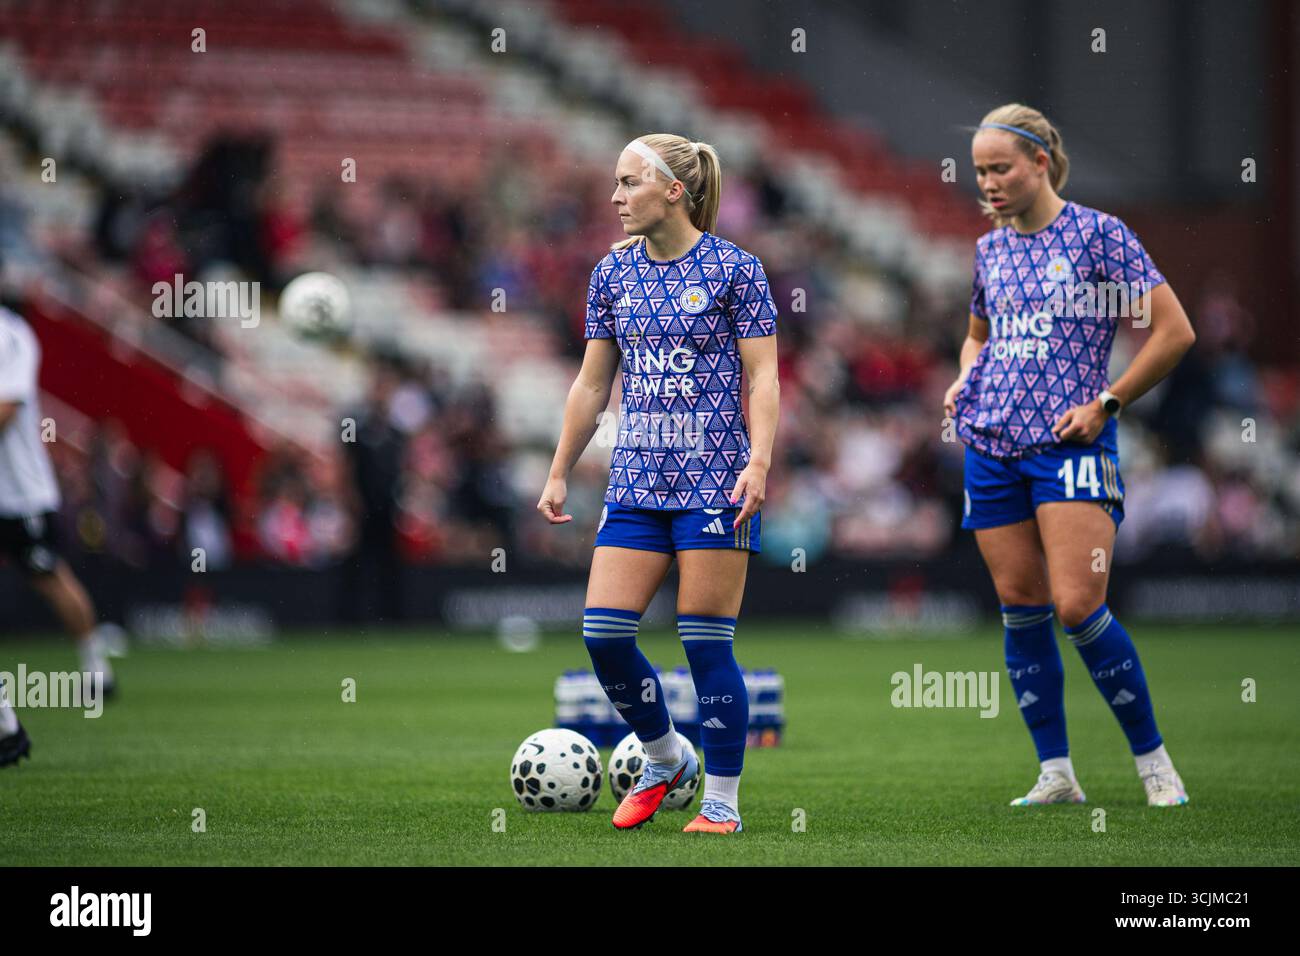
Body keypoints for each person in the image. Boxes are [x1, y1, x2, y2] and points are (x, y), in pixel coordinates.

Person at [943, 104, 1198, 807]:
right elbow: (977, 336)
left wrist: (1107, 403)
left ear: (1041, 164)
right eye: (980, 172)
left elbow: (1174, 332)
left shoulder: (1098, 236)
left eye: (1000, 169)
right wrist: (966, 371)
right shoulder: (990, 247)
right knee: (1021, 607)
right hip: (991, 445)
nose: (988, 183)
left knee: (1079, 605)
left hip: (1071, 447)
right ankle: (1057, 773)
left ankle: (1154, 766)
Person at [538, 134, 780, 833]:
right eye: (614, 184)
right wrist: (558, 470)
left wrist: (759, 460)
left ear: (674, 189)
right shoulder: (611, 272)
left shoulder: (738, 270)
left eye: (627, 183)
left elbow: (763, 378)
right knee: (604, 636)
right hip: (636, 480)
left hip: (716, 483)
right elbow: (591, 382)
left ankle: (723, 805)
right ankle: (667, 753)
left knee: (706, 644)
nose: (614, 197)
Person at [0, 304, 119, 767]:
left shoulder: (10, 335)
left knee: (48, 576)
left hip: (19, 493)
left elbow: (7, 407)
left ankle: (96, 668)